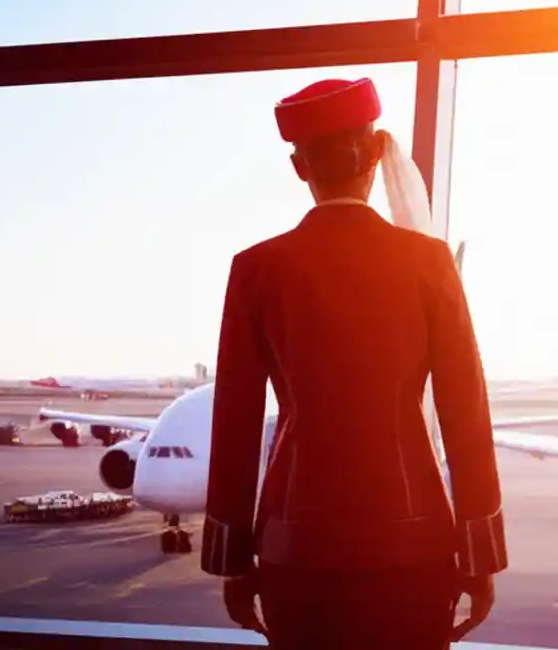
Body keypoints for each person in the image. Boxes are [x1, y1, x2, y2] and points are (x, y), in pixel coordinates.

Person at [201, 77, 507, 649]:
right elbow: (467, 416)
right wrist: (480, 552)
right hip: (412, 549)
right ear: (374, 153)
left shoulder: (256, 270)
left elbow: (235, 425)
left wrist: (232, 561)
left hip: (296, 551)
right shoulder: (428, 263)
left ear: (299, 167)